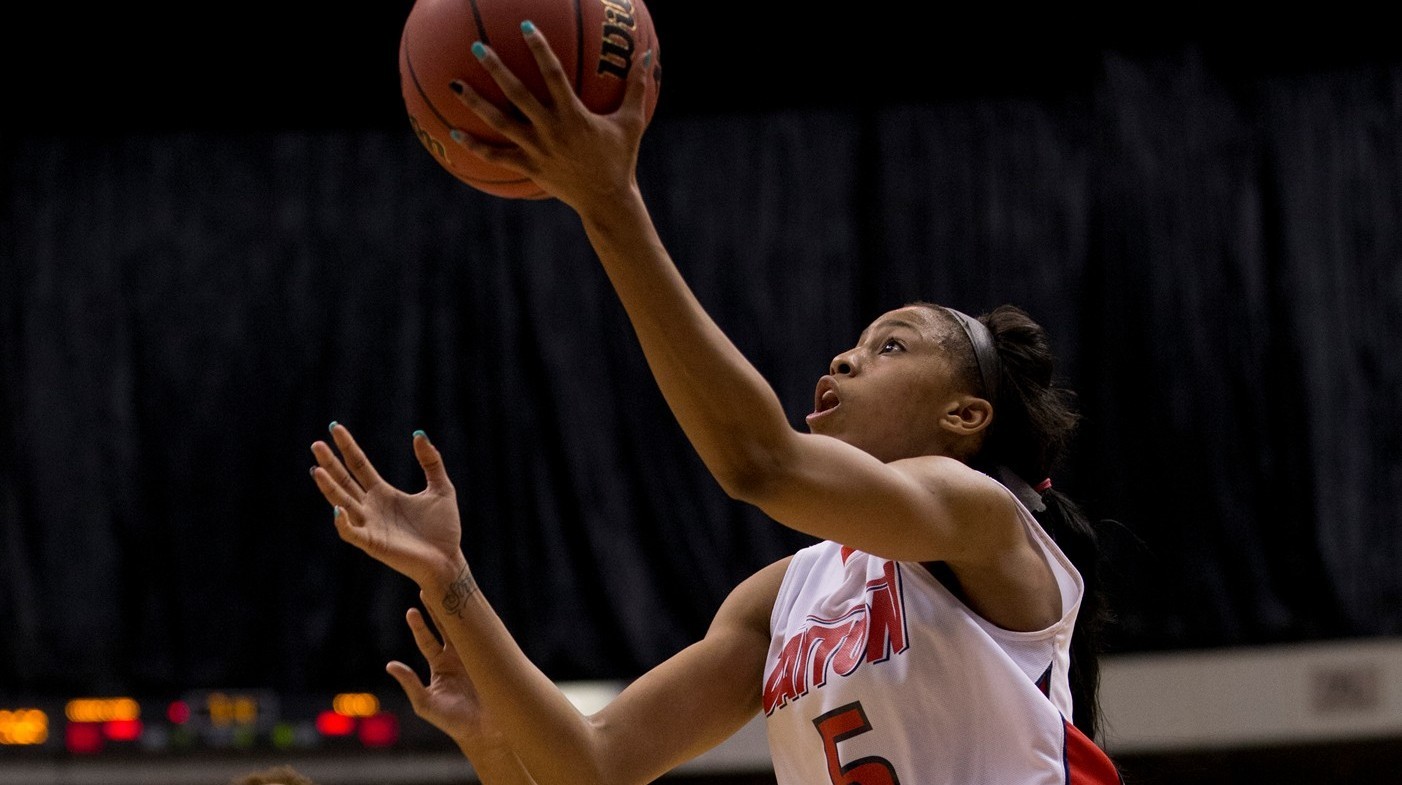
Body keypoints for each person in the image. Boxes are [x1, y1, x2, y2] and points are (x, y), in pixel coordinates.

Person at [309, 20, 1123, 785]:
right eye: (858, 342)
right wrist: (452, 580)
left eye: (892, 345)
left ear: (965, 416)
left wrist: (610, 202)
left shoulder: (983, 516)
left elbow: (757, 461)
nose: (844, 356)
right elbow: (595, 764)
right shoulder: (785, 595)